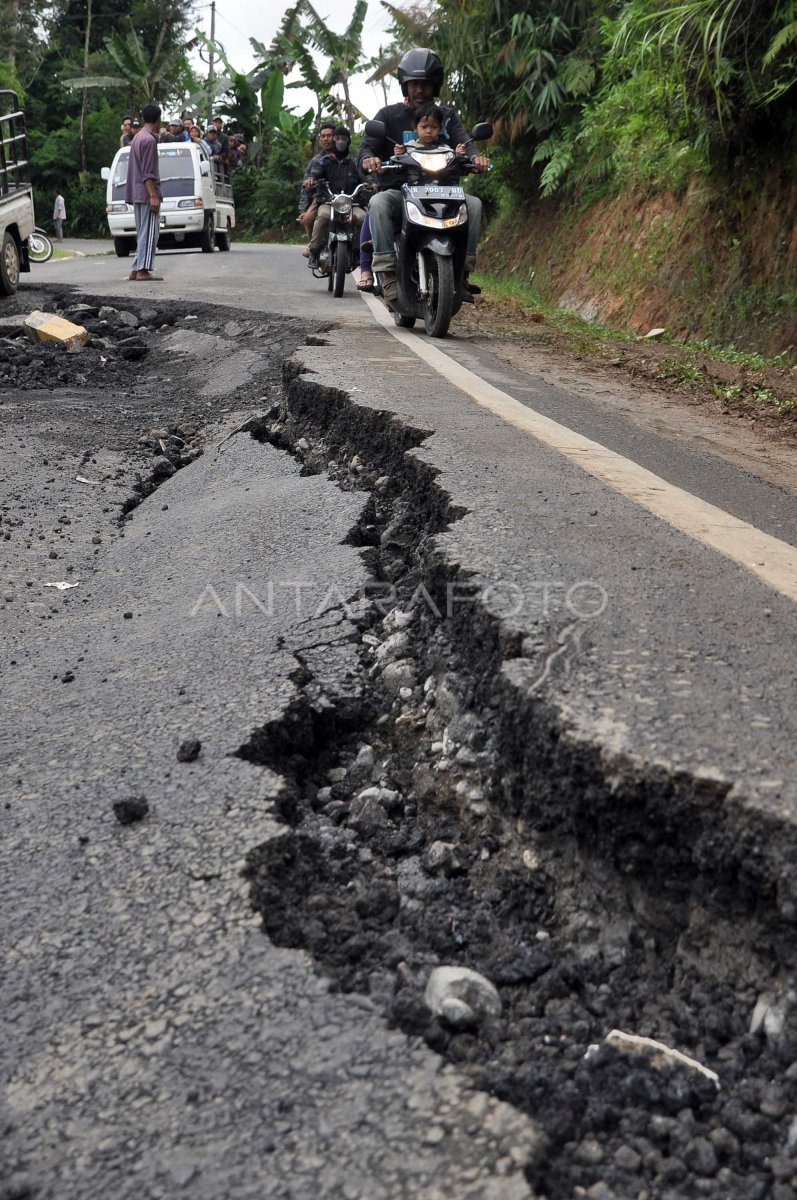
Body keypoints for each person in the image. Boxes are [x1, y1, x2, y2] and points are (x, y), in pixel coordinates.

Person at [357, 47, 490, 305]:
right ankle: (387, 274)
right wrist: (368, 159)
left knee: (474, 204)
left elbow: (465, 142)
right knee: (378, 203)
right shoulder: (388, 115)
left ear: (435, 85)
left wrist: (476, 158)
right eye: (414, 84)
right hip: (400, 190)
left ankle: (463, 271)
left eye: (425, 84)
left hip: (445, 191)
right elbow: (366, 147)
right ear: (405, 85)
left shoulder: (447, 117)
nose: (419, 90)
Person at [306, 126, 366, 270]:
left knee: (363, 218)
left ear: (348, 141)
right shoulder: (324, 161)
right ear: (333, 140)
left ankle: (358, 251)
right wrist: (311, 179)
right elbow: (315, 172)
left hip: (351, 203)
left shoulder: (354, 162)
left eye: (343, 139)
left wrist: (371, 183)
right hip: (328, 201)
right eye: (337, 138)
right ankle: (314, 251)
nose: (340, 141)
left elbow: (365, 176)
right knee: (323, 216)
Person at [124, 102, 163, 282]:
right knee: (150, 232)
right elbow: (148, 172)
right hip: (147, 193)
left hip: (137, 192)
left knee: (142, 231)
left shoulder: (137, 137)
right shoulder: (149, 140)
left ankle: (135, 268)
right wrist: (153, 195)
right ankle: (143, 270)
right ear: (158, 119)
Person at [298, 122, 335, 256]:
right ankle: (314, 246)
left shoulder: (346, 157)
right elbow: (306, 187)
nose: (326, 139)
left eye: (329, 136)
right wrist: (303, 210)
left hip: (344, 198)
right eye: (323, 136)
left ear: (336, 137)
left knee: (362, 217)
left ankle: (359, 251)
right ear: (320, 139)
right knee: (307, 218)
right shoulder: (316, 161)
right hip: (321, 197)